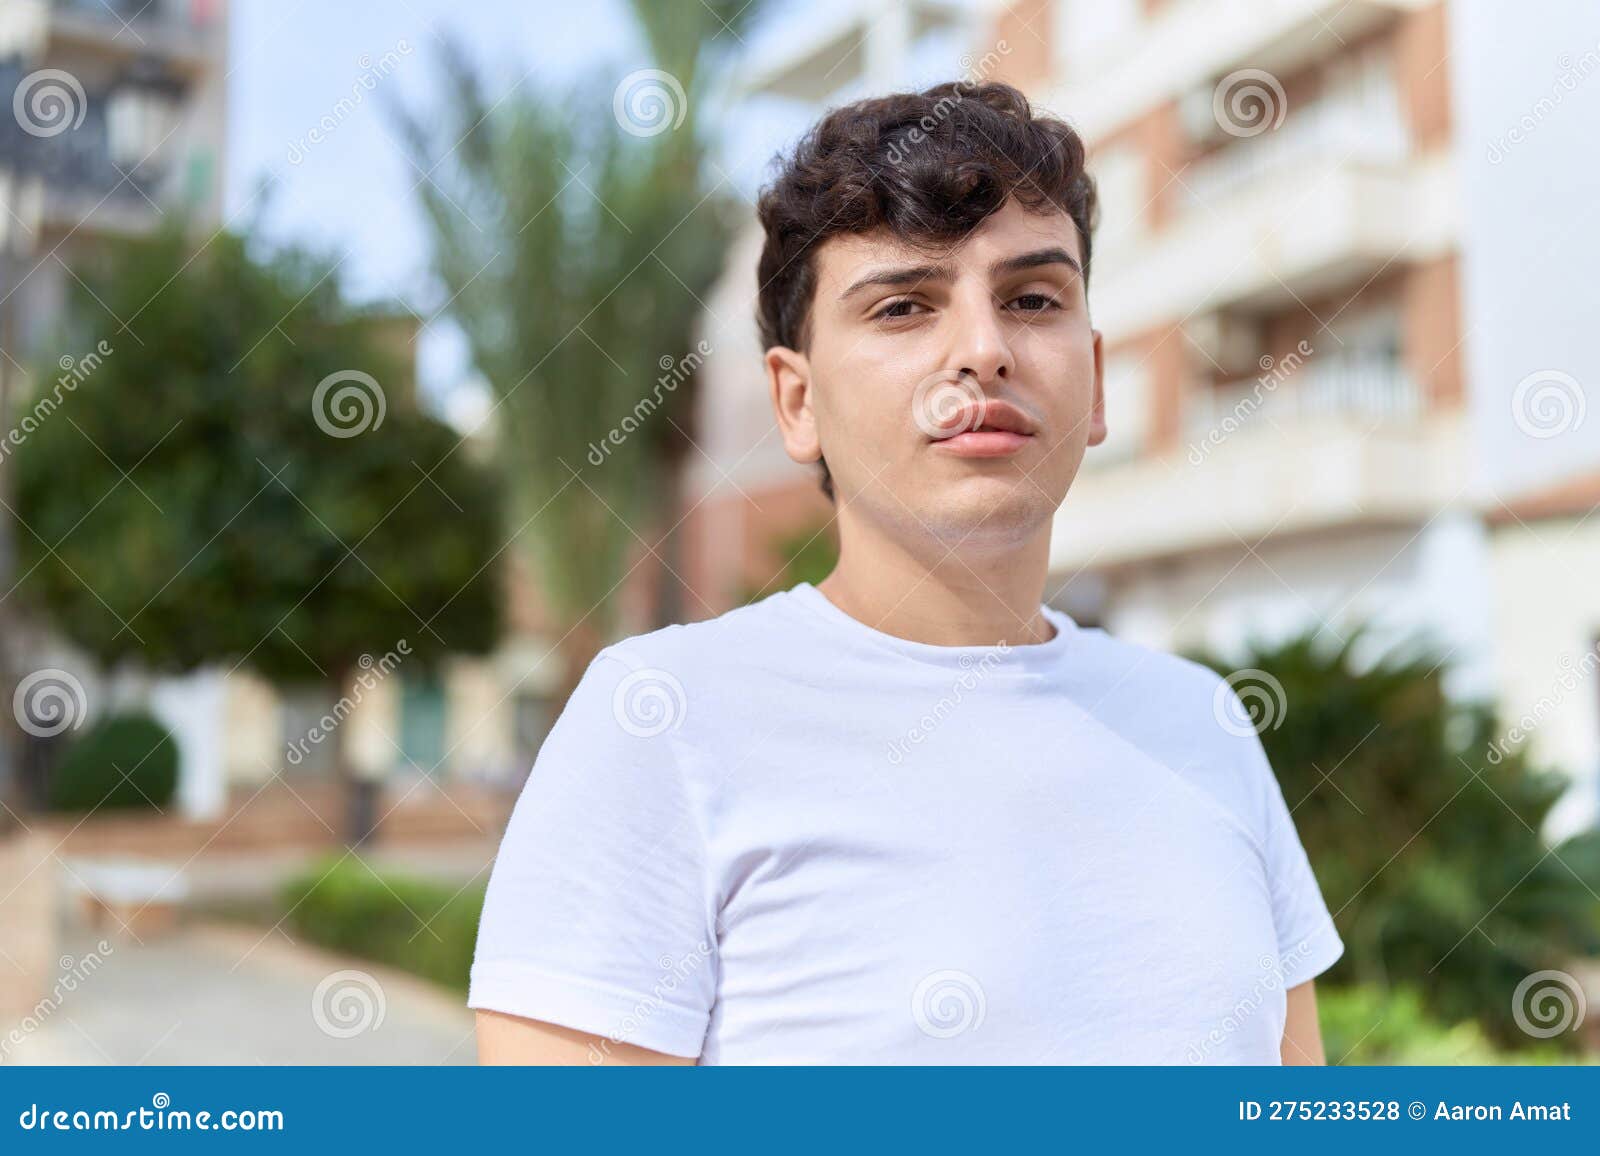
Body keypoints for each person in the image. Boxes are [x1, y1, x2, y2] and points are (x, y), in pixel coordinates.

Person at [469, 81, 1343, 1065]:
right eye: (901, 306)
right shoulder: (661, 720)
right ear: (795, 402)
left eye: (1032, 298)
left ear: (1094, 378)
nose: (982, 349)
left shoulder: (1202, 723)